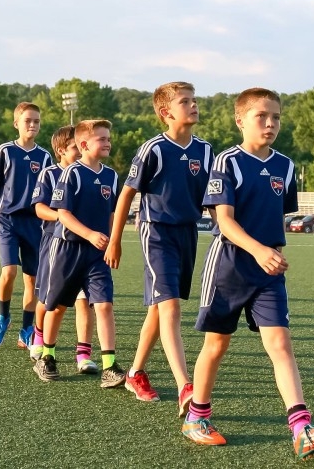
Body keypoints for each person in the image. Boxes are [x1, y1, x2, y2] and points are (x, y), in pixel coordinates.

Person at [181, 88, 314, 460]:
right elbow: (223, 221)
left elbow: (278, 216)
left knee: (280, 344)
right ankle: (196, 417)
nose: (270, 124)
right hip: (229, 266)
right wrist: (259, 250)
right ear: (240, 120)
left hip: (268, 273)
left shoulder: (285, 166)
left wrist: (273, 255)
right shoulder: (228, 162)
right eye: (261, 117)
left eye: (276, 117)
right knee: (217, 345)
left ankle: (302, 430)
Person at [105, 81, 214, 416]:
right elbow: (126, 194)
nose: (193, 105)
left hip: (188, 233)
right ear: (167, 112)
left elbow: (213, 199)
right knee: (170, 309)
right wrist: (115, 239)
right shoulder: (153, 148)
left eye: (194, 100)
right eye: (185, 101)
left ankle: (135, 372)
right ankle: (186, 386)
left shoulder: (206, 150)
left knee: (158, 308)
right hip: (156, 233)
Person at [32, 120, 125, 389]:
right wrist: (89, 234)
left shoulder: (111, 176)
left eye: (108, 137)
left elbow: (111, 213)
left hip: (97, 254)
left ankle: (109, 365)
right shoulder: (70, 173)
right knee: (58, 306)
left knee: (104, 304)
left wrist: (111, 241)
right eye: (101, 139)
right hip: (68, 250)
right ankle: (47, 356)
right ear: (84, 145)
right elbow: (62, 214)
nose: (108, 142)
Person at [28, 125, 98, 374]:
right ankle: (38, 338)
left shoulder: (89, 172)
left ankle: (83, 354)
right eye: (74, 148)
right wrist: (63, 215)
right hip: (54, 242)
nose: (80, 152)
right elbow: (39, 208)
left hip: (84, 245)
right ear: (61, 150)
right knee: (48, 298)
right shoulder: (49, 173)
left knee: (84, 301)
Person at [0, 102, 52, 348]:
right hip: (7, 220)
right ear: (16, 124)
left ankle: (26, 328)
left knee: (31, 280)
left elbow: (48, 189)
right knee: (9, 271)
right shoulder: (4, 151)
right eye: (27, 121)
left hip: (35, 224)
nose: (32, 125)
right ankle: (3, 317)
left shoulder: (44, 156)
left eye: (36, 121)